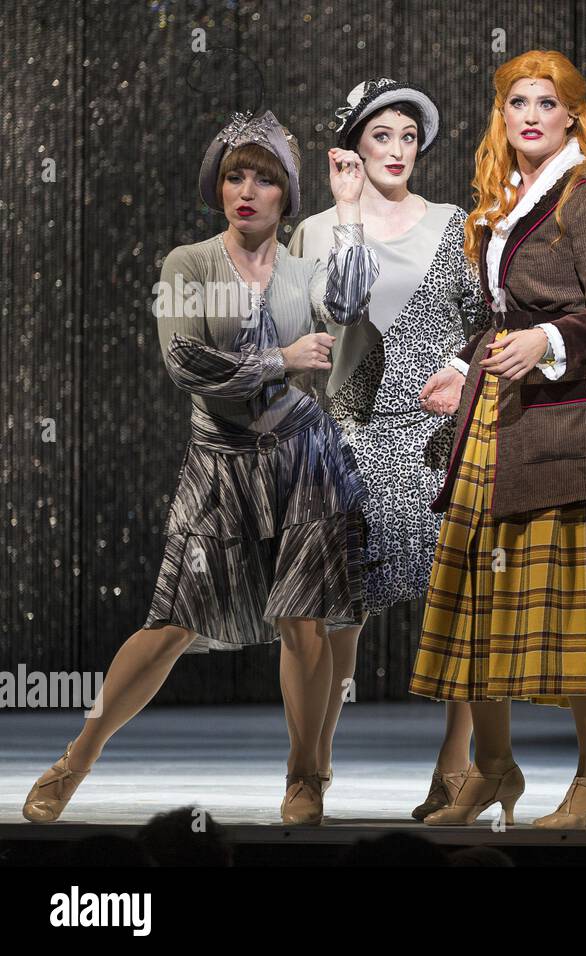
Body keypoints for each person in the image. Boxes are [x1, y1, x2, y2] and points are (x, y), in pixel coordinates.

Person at [22, 111, 370, 826]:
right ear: (217, 186)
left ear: (285, 195)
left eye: (265, 179)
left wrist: (355, 211)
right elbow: (185, 362)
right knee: (171, 625)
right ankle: (77, 757)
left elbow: (351, 307)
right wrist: (280, 359)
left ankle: (306, 777)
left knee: (304, 623)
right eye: (235, 175)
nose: (246, 190)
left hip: (304, 462)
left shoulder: (306, 271)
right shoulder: (189, 263)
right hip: (220, 468)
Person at [410, 50, 586, 829]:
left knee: (569, 608)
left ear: (571, 117)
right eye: (517, 100)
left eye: (545, 103)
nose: (529, 114)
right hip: (500, 414)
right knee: (480, 599)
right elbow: (503, 316)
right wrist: (462, 364)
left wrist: (547, 342)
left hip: (572, 424)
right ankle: (493, 769)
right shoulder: (507, 197)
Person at [289, 78, 486, 818]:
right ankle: (309, 772)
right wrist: (346, 214)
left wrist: (464, 371)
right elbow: (339, 307)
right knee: (333, 615)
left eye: (409, 137)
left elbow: (487, 317)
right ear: (352, 146)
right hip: (350, 435)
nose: (398, 150)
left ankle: (456, 767)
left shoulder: (455, 222)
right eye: (382, 137)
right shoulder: (316, 229)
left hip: (437, 436)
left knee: (461, 600)